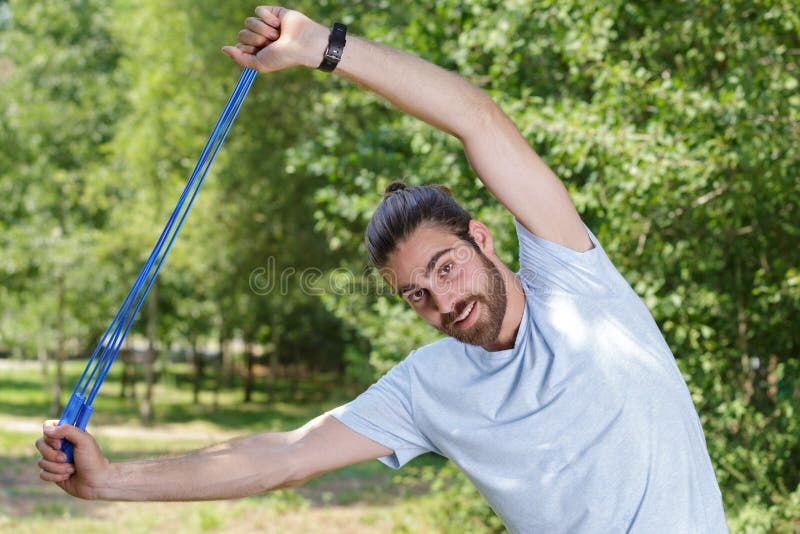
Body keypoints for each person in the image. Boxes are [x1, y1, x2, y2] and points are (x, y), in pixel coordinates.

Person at [36, 6, 728, 532]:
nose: (442, 301)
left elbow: (477, 118)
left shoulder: (574, 278)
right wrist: (109, 482)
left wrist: (322, 49)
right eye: (416, 295)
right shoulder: (431, 387)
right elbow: (285, 455)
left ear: (483, 239)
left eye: (446, 267)